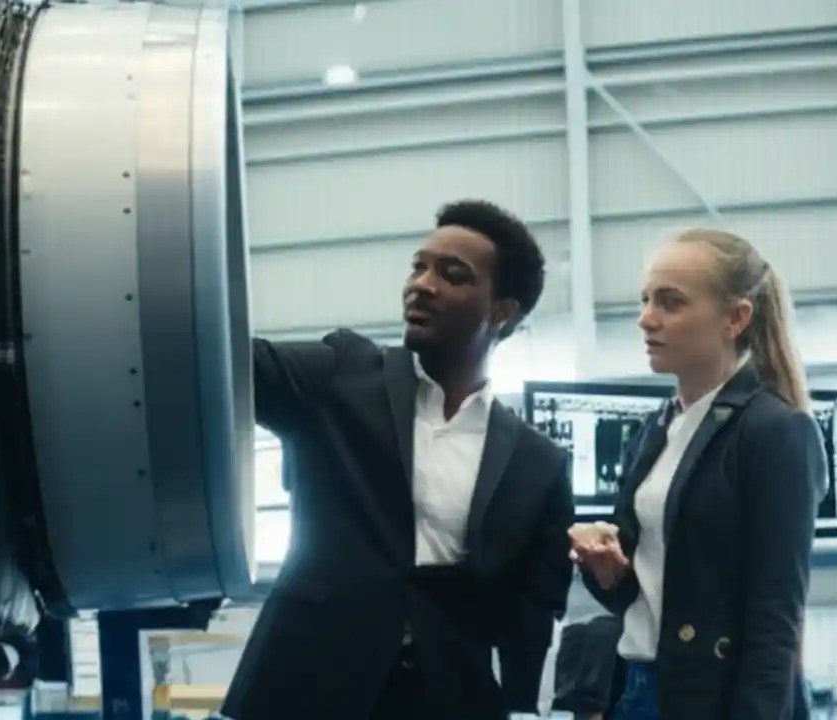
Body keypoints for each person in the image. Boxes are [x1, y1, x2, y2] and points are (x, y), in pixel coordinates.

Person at [221, 200, 575, 720]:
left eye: (452, 275)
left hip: (448, 698)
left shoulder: (538, 464)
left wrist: (521, 707)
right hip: (304, 685)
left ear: (502, 311)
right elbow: (224, 363)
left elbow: (531, 613)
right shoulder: (341, 372)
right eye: (419, 266)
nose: (423, 284)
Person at [568, 228, 827, 720]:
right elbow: (638, 595)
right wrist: (609, 567)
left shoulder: (776, 431)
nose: (646, 319)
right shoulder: (654, 431)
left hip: (712, 699)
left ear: (735, 318)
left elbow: (776, 619)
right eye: (645, 300)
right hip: (636, 684)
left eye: (671, 303)